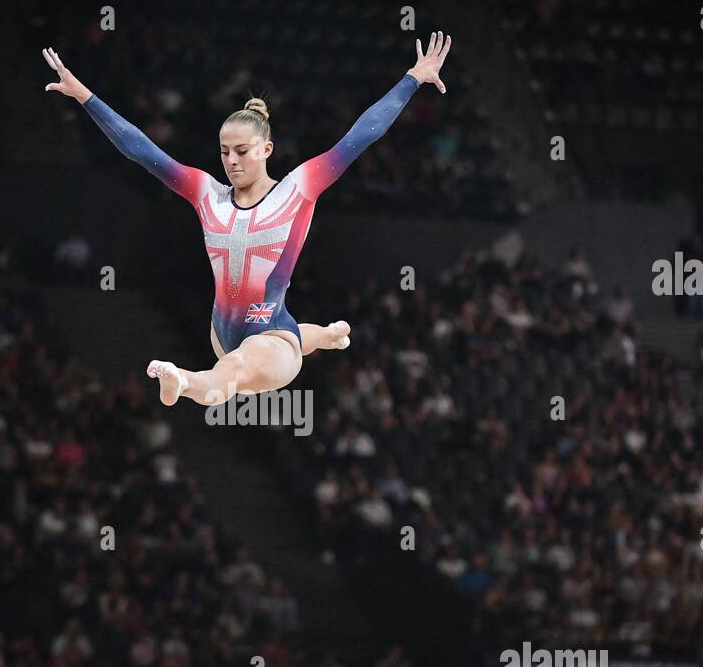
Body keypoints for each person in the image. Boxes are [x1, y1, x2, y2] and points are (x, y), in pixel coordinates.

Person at [42, 33, 453, 406]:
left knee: (239, 369)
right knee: (260, 351)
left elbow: (363, 133)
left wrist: (413, 77)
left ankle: (184, 382)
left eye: (242, 151)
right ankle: (327, 335)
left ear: (267, 148)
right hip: (222, 332)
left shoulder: (298, 189)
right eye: (224, 152)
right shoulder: (206, 194)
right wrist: (85, 97)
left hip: (271, 341)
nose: (232, 161)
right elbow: (139, 148)